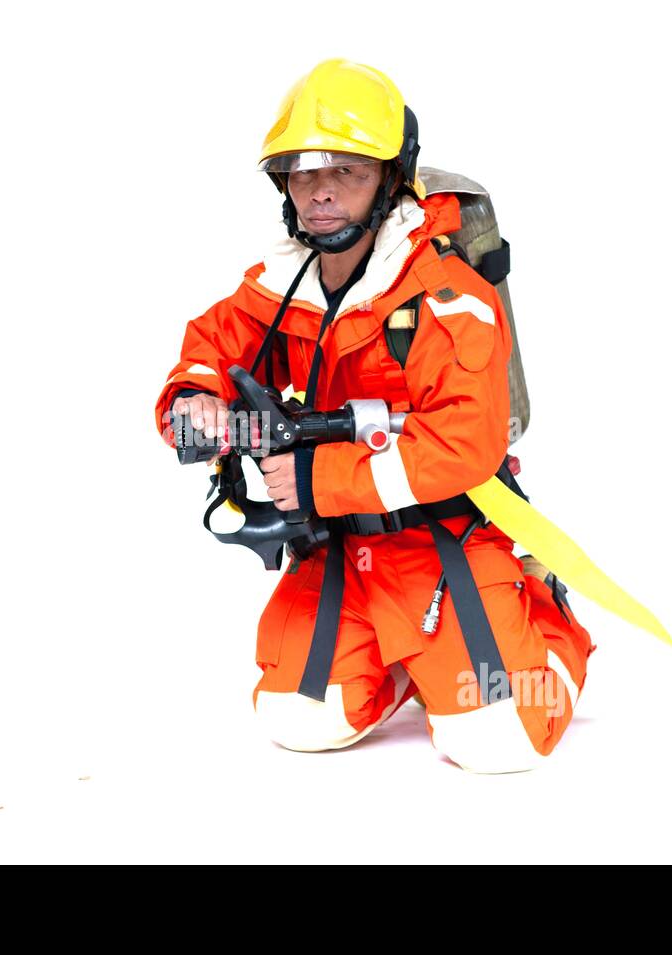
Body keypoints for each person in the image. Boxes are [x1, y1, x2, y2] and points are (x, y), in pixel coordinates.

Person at [153, 58, 595, 773]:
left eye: (348, 172)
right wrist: (195, 396)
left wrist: (316, 479)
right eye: (302, 173)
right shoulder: (283, 279)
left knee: (500, 736)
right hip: (342, 555)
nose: (320, 192)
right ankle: (407, 668)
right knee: (297, 717)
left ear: (392, 179)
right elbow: (212, 342)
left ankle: (544, 611)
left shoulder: (446, 298)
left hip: (447, 546)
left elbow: (461, 444)